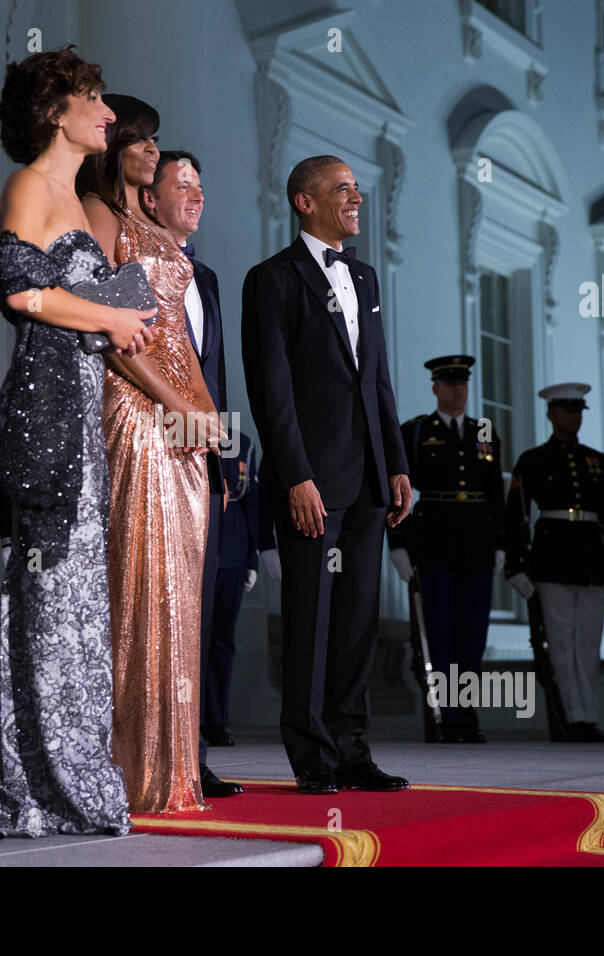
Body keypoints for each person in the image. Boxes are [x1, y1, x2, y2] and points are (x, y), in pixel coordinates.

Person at [0, 48, 154, 840]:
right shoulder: (29, 187)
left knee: (74, 602)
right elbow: (19, 291)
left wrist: (120, 319)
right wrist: (110, 317)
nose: (108, 114)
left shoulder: (77, 200)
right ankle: (39, 784)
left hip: (81, 409)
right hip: (44, 412)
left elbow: (69, 301)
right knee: (46, 600)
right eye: (95, 100)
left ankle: (63, 776)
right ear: (55, 112)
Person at [241, 155, 412, 794]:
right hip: (312, 480)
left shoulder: (364, 277)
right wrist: (294, 477)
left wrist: (396, 462)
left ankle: (352, 748)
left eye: (357, 189)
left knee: (357, 620)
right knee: (310, 618)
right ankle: (311, 754)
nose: (356, 197)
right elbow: (271, 389)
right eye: (342, 189)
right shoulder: (271, 280)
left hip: (369, 477)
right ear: (304, 201)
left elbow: (379, 380)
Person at [81, 94, 223, 813]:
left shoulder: (146, 224)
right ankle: (131, 768)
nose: (154, 153)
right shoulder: (101, 217)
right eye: (144, 142)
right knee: (142, 587)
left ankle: (174, 770)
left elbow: (178, 338)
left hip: (179, 417)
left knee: (179, 595)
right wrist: (177, 405)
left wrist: (204, 414)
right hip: (136, 413)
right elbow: (114, 333)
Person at [141, 148, 243, 796]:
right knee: (158, 616)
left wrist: (225, 463)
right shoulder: (138, 269)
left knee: (198, 620)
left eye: (201, 186)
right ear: (150, 200)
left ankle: (191, 758)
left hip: (201, 463)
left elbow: (215, 379)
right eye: (183, 185)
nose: (197, 195)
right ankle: (147, 756)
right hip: (151, 459)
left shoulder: (205, 279)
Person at [388, 355, 504, 743]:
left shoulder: (484, 428)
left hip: (477, 542)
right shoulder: (417, 430)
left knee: (473, 635)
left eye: (464, 383)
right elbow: (397, 490)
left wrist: (501, 544)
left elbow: (495, 492)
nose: (459, 389)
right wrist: (398, 544)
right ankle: (445, 717)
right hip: (433, 540)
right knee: (439, 632)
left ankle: (466, 717)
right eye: (451, 383)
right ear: (436, 387)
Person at [503, 383, 604, 742]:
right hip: (552, 559)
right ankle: (568, 715)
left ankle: (588, 715)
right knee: (559, 642)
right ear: (551, 413)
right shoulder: (533, 460)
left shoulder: (598, 460)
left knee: (588, 642)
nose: (574, 416)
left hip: (592, 561)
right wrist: (515, 566)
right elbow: (516, 517)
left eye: (578, 410)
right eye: (567, 410)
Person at [201, 431, 261, 747]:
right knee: (189, 642)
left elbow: (250, 499)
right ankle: (189, 720)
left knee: (221, 641)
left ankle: (215, 720)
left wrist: (252, 557)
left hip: (232, 549)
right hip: (193, 548)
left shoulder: (240, 442)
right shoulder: (180, 428)